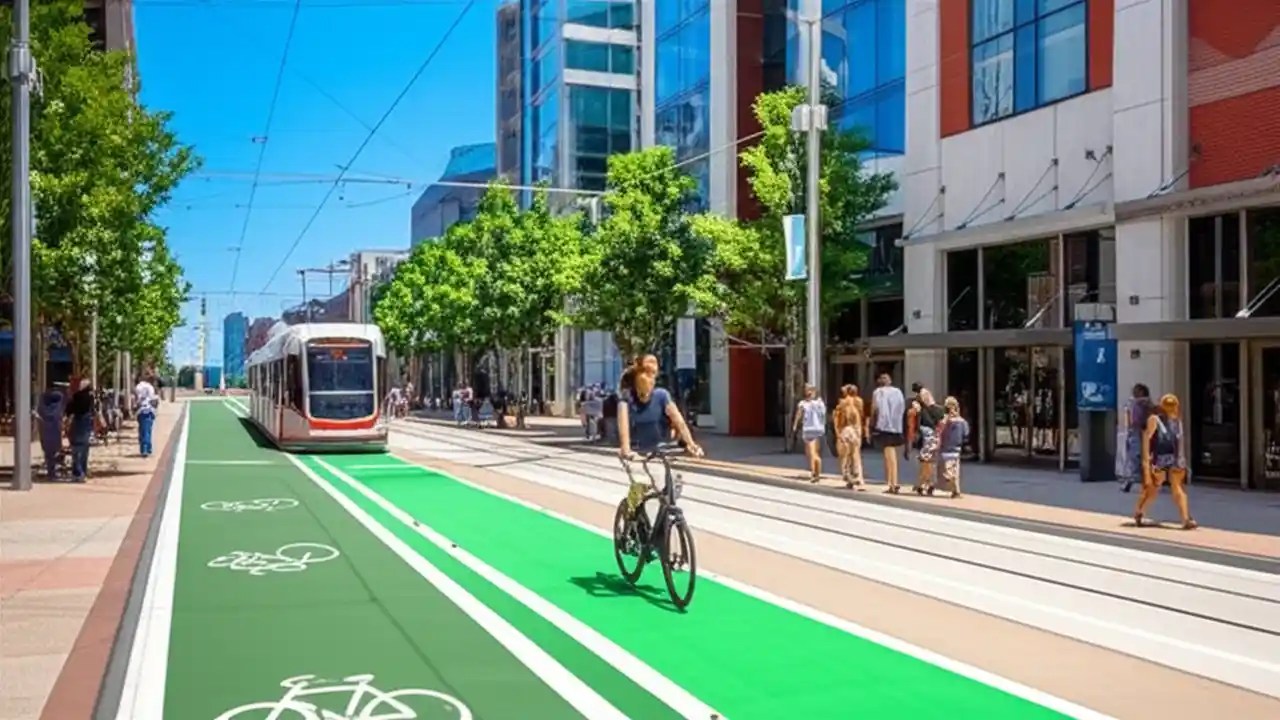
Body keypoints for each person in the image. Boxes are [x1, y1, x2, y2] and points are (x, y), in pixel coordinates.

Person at [617, 356, 702, 515]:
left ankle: (662, 526)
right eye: (647, 374)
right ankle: (630, 513)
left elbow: (679, 421)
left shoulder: (662, 395)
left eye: (653, 375)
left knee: (672, 484)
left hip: (659, 451)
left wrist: (691, 444)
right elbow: (623, 426)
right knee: (642, 485)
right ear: (637, 376)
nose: (650, 379)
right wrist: (626, 449)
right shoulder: (626, 398)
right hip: (636, 453)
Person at [1135, 393, 1197, 530]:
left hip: (1165, 458)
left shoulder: (1161, 420)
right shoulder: (1171, 421)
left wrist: (1146, 462)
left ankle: (1140, 511)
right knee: (1170, 487)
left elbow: (1148, 440)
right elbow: (1178, 443)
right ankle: (1185, 518)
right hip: (1169, 458)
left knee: (1162, 487)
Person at [866, 372, 907, 493]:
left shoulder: (878, 392)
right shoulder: (898, 392)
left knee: (889, 456)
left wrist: (871, 425)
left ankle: (893, 483)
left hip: (884, 426)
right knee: (893, 454)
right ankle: (892, 481)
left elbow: (874, 409)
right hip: (897, 426)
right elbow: (902, 408)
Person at [908, 388, 946, 495]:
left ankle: (923, 484)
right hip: (933, 439)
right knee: (930, 463)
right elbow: (942, 424)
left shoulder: (922, 410)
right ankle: (929, 484)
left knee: (924, 462)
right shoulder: (938, 410)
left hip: (926, 440)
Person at [1117, 383, 1153, 493]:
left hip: (1137, 431)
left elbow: (1134, 419)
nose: (1134, 393)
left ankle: (1130, 480)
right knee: (1143, 457)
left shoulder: (1137, 403)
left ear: (1142, 392)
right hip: (1144, 431)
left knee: (1134, 456)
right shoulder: (1146, 404)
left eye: (1137, 391)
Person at [935, 396, 969, 498]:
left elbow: (938, 432)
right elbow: (966, 433)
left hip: (945, 448)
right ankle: (956, 491)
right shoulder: (962, 421)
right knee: (956, 469)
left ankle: (949, 478)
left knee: (947, 469)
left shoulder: (944, 421)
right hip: (957, 448)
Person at [792, 384, 827, 483]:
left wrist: (795, 426)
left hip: (808, 429)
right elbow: (823, 415)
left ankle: (815, 473)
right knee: (813, 451)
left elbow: (799, 415)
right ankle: (815, 471)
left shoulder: (803, 403)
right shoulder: (820, 403)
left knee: (811, 453)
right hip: (819, 429)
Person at [833, 384, 864, 489]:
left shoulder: (842, 404)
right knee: (856, 454)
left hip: (846, 431)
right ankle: (858, 476)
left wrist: (838, 434)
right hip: (856, 430)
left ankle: (848, 476)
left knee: (845, 455)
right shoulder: (859, 402)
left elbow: (838, 421)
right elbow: (861, 416)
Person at [65, 379, 95, 482]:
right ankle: (83, 470)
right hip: (87, 423)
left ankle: (77, 472)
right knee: (84, 448)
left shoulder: (76, 396)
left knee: (76, 448)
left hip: (78, 422)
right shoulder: (91, 397)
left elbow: (69, 410)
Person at [37, 381, 68, 479]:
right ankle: (53, 471)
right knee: (55, 450)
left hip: (45, 428)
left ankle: (51, 471)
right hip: (56, 427)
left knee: (48, 452)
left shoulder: (43, 399)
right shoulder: (59, 399)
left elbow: (39, 411)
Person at [134, 374, 160, 458]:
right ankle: (147, 448)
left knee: (142, 430)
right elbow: (154, 400)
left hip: (140, 411)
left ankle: (144, 448)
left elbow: (135, 400)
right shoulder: (150, 387)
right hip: (149, 410)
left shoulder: (137, 387)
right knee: (148, 430)